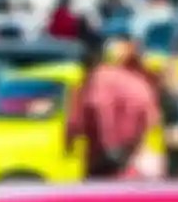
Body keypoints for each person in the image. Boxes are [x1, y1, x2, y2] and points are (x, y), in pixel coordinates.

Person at [65, 33, 160, 180]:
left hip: (104, 160)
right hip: (131, 161)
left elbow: (97, 107)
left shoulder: (99, 77)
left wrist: (108, 146)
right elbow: (151, 120)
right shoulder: (140, 83)